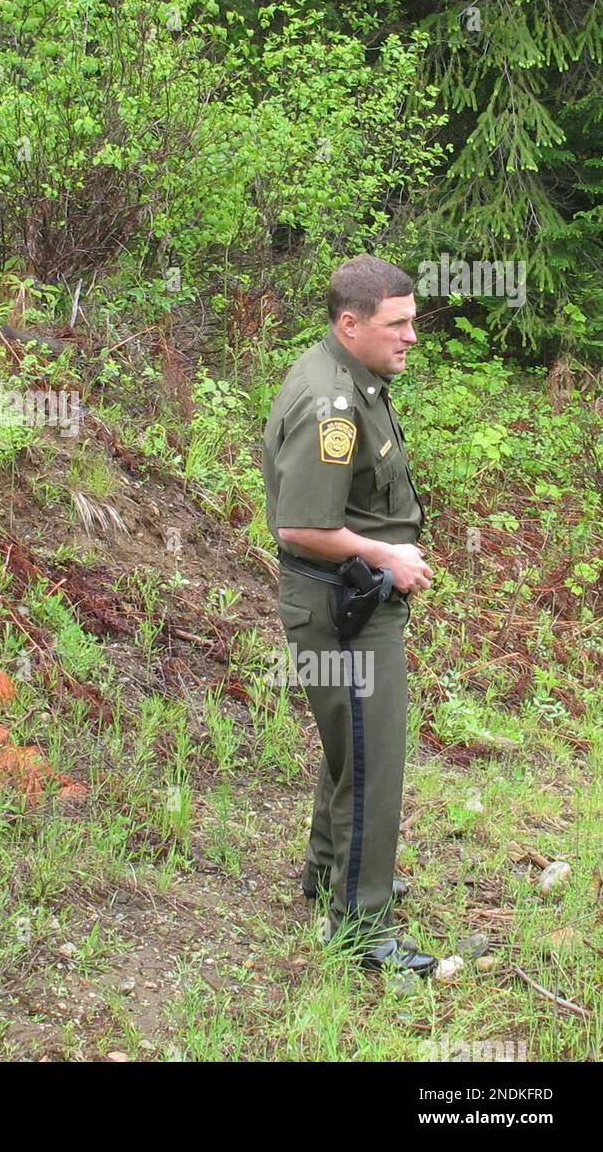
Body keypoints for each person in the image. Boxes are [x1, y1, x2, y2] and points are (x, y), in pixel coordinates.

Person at [262, 255, 438, 976]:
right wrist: (387, 555)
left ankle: (329, 871)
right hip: (343, 609)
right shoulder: (329, 402)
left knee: (351, 747)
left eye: (410, 323)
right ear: (349, 323)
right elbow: (300, 525)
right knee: (373, 765)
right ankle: (362, 928)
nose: (410, 338)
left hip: (342, 600)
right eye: (396, 325)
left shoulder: (353, 376)